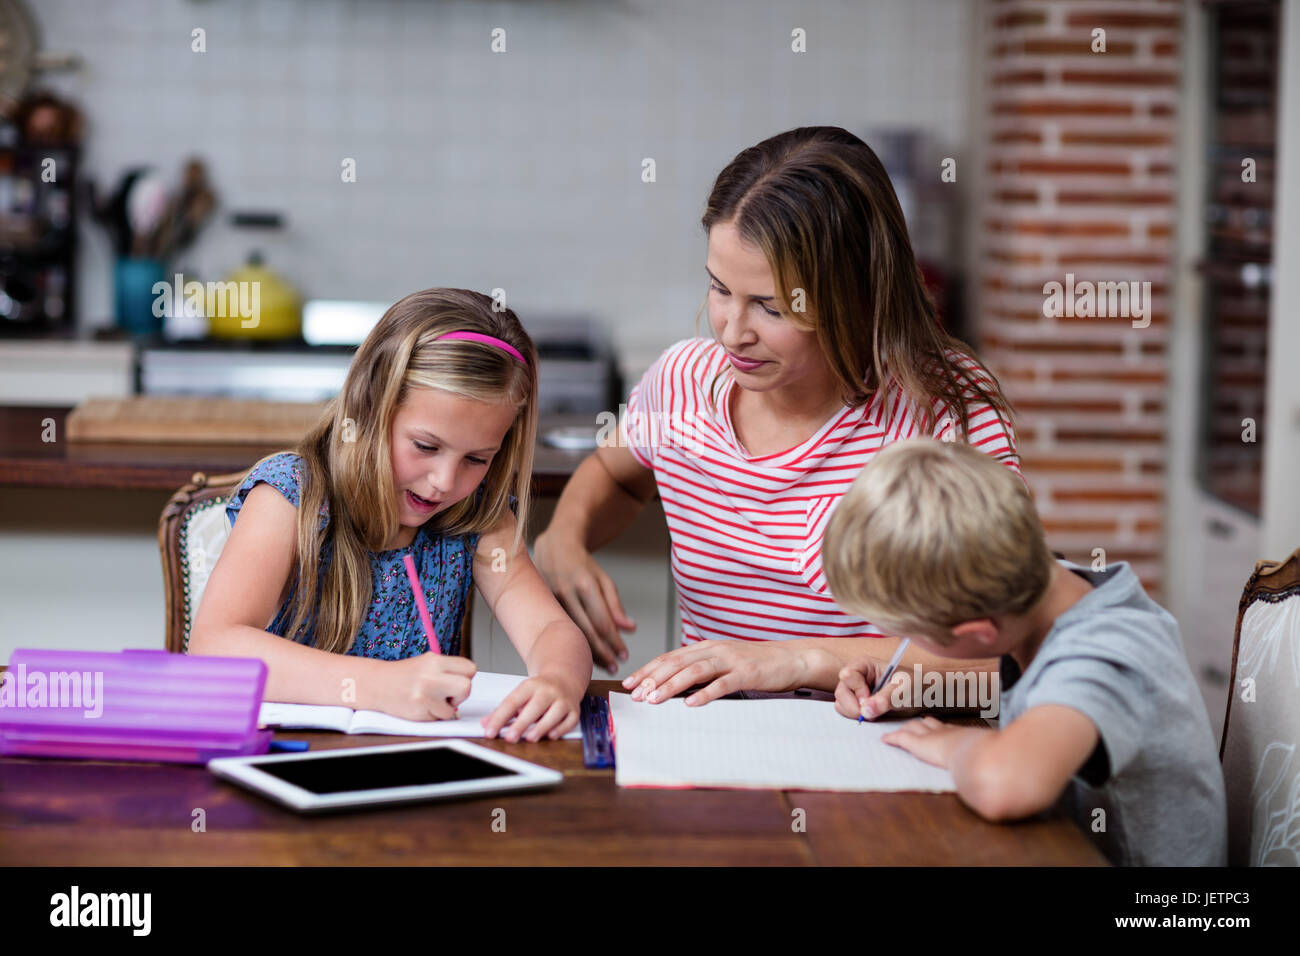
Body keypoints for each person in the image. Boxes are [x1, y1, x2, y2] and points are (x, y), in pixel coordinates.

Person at [534, 125, 1018, 704]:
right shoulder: (682, 382)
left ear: (856, 294)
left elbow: (997, 663)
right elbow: (616, 475)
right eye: (720, 289)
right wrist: (564, 538)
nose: (733, 333)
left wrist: (798, 661)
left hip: (871, 741)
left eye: (770, 307)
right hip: (710, 733)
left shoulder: (946, 410)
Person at [191, 288, 592, 742]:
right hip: (288, 759)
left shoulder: (477, 518)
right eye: (426, 446)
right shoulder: (292, 497)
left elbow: (550, 629)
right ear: (368, 408)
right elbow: (214, 647)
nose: (444, 481)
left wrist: (558, 679)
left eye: (476, 459)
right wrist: (378, 686)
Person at [822, 438, 1228, 866]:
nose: (900, 643)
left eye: (907, 634)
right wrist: (919, 690)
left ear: (979, 633)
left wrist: (951, 745)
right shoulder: (1051, 588)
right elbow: (1041, 695)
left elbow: (1007, 785)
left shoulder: (1103, 653)